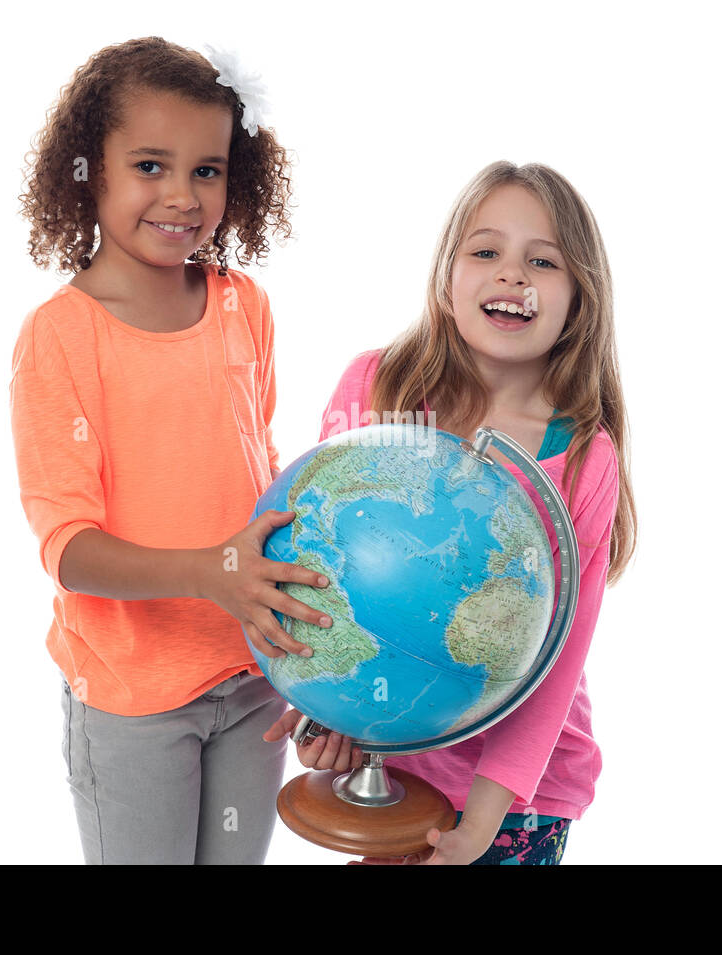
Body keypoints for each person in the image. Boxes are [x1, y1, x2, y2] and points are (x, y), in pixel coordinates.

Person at [11, 37, 333, 865]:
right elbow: (70, 550)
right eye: (150, 165)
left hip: (254, 672)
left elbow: (260, 473)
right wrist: (208, 573)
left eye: (207, 170)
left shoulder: (242, 305)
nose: (181, 196)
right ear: (91, 170)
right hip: (132, 697)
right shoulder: (60, 337)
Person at [265, 161, 638, 864]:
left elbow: (558, 664)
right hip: (395, 761)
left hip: (516, 800)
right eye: (485, 250)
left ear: (579, 299)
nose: (511, 275)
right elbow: (316, 564)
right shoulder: (375, 386)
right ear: (447, 276)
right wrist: (325, 711)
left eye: (543, 261)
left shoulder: (587, 457)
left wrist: (480, 827)